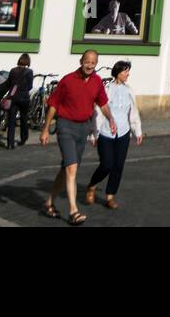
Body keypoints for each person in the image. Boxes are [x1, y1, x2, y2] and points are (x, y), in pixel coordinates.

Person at [41, 50, 115, 226]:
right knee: (72, 168)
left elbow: (102, 103)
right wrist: (45, 129)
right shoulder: (68, 80)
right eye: (87, 61)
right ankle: (74, 211)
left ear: (96, 64)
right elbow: (53, 105)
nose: (89, 65)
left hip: (83, 128)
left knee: (67, 168)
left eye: (93, 62)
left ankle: (49, 202)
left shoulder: (97, 81)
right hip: (66, 126)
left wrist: (110, 118)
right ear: (81, 61)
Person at [85, 61, 143, 209]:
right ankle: (92, 185)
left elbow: (133, 112)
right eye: (125, 71)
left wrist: (138, 131)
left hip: (123, 133)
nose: (128, 74)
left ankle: (110, 196)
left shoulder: (129, 90)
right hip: (105, 132)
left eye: (128, 71)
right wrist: (93, 134)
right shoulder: (106, 89)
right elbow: (97, 113)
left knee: (118, 166)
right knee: (106, 165)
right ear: (117, 72)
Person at [0, 53, 33, 149]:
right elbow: (30, 86)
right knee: (24, 118)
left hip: (13, 97)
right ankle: (23, 138)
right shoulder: (29, 72)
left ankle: (10, 143)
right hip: (24, 97)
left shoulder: (13, 70)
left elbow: (9, 83)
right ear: (28, 62)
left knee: (11, 120)